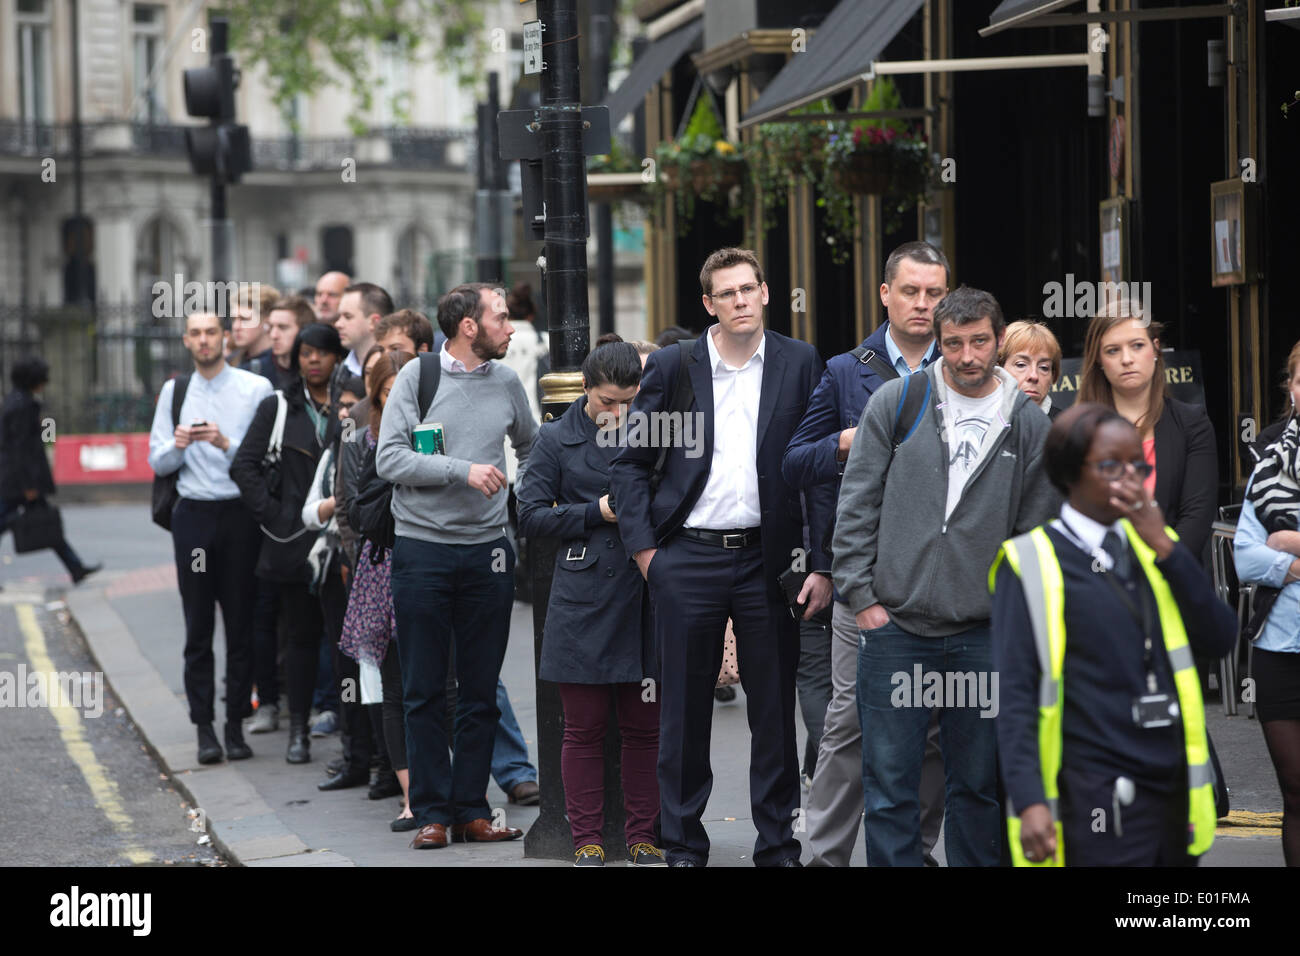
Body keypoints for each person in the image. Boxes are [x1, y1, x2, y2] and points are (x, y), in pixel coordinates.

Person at [610, 247, 835, 867]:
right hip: (688, 556)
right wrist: (648, 552)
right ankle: (682, 844)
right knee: (682, 712)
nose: (740, 300)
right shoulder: (677, 366)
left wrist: (821, 561)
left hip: (771, 556)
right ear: (709, 304)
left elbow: (817, 471)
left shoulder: (798, 361)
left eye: (748, 289)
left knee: (773, 711)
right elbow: (629, 463)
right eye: (726, 293)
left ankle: (778, 845)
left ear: (766, 293)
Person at [832, 285, 1057, 867]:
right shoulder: (897, 401)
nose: (966, 356)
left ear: (999, 340)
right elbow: (856, 506)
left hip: (982, 634)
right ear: (938, 342)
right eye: (952, 343)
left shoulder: (1028, 425)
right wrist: (862, 600)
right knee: (889, 790)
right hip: (895, 628)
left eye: (979, 342)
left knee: (977, 788)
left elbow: (1035, 537)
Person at [993, 403, 1235, 865]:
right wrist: (1029, 801)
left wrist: (1167, 547)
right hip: (1094, 792)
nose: (1129, 478)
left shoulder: (1152, 550)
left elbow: (1220, 637)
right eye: (1110, 466)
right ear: (1069, 473)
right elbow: (1017, 692)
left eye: (1136, 466)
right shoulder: (1032, 560)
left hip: (1172, 787)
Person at [783, 240, 949, 866]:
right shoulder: (846, 370)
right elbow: (795, 463)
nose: (923, 304)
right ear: (885, 293)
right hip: (865, 579)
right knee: (848, 725)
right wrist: (848, 441)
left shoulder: (962, 366)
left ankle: (917, 854)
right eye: (911, 291)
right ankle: (824, 857)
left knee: (933, 728)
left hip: (940, 580)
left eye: (934, 293)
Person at [376, 282, 537, 850]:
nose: (510, 326)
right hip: (422, 550)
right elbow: (388, 458)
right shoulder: (419, 378)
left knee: (479, 688)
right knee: (421, 687)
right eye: (501, 317)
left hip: (488, 551)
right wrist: (459, 469)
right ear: (468, 326)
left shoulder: (508, 381)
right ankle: (433, 814)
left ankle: (473, 810)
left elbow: (532, 446)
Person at [517, 341, 663, 866]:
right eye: (608, 401)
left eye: (628, 401)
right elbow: (528, 516)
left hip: (645, 593)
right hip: (583, 598)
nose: (618, 413)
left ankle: (644, 836)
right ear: (585, 391)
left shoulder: (655, 429)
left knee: (645, 728)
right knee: (583, 728)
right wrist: (594, 512)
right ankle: (587, 841)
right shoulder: (556, 439)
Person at [146, 313, 271, 763]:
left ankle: (235, 724)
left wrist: (223, 443)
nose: (203, 340)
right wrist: (179, 445)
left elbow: (266, 458)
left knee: (241, 625)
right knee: (197, 625)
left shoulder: (254, 389)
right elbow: (158, 463)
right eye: (195, 334)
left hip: (240, 515)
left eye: (210, 333)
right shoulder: (175, 391)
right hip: (194, 517)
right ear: (186, 341)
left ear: (224, 338)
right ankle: (204, 729)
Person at [231, 323, 345, 764]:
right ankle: (298, 729)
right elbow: (244, 467)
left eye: (321, 352)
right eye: (305, 353)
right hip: (292, 544)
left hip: (339, 541)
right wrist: (276, 516)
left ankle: (354, 740)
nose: (313, 360)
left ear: (336, 357)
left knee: (344, 644)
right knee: (298, 639)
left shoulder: (349, 404)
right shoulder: (277, 406)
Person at [340, 350, 419, 827]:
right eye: (387, 393)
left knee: (440, 686)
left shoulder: (438, 428)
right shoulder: (365, 436)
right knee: (394, 686)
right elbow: (356, 508)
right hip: (382, 567)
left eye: (402, 392)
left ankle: (444, 788)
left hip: (435, 561)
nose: (395, 401)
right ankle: (412, 796)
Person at [1078, 302, 1217, 560]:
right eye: (1112, 350)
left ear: (1155, 348)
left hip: (1173, 578)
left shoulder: (1192, 423)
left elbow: (1196, 517)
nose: (1127, 359)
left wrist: (1160, 568)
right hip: (1098, 580)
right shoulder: (1079, 429)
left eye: (1137, 345)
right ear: (1098, 359)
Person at [1233, 341, 1300, 866]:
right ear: (1292, 390)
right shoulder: (1269, 463)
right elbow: (1245, 559)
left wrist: (1290, 541)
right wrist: (1285, 561)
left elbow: (1271, 546)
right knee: (1296, 798)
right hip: (1279, 646)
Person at [1, 357, 102, 585]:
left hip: (18, 479)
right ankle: (75, 567)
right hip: (18, 482)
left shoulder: (19, 401)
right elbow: (20, 449)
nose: (45, 383)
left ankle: (75, 567)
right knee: (31, 521)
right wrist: (28, 485)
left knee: (48, 522)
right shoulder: (21, 406)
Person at [998, 319, 1063, 420]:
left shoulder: (1065, 428)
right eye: (1021, 365)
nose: (1034, 376)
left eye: (1044, 367)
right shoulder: (977, 424)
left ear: (1053, 376)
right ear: (999, 370)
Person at [336, 282, 394, 378]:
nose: (338, 324)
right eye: (339, 316)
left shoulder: (394, 370)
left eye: (347, 317)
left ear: (374, 322)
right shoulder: (340, 373)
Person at [230, 283, 281, 372]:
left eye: (245, 319)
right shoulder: (229, 361)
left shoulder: (282, 364)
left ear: (267, 321)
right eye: (234, 319)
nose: (236, 327)